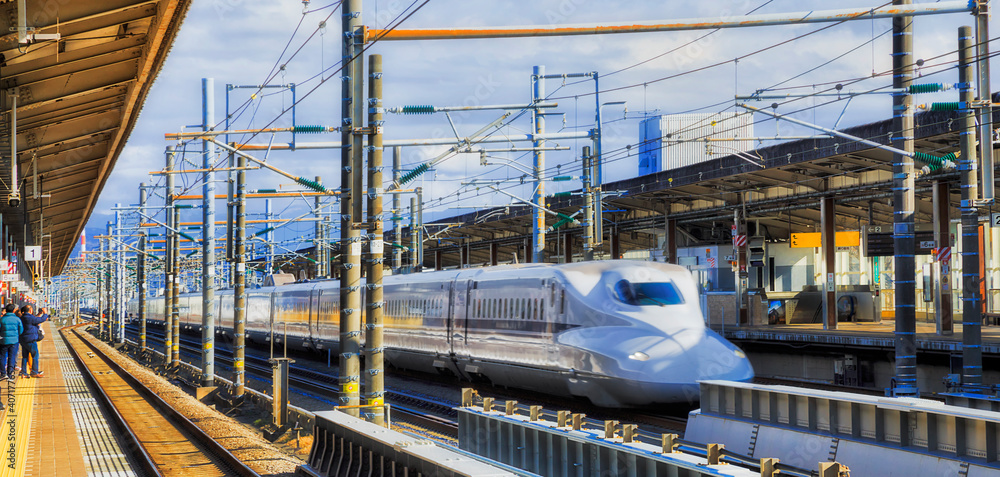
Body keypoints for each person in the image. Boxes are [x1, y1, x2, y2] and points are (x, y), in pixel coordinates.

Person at [19, 305, 48, 378]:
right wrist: (45, 313)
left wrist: (39, 314)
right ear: (30, 310)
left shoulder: (22, 317)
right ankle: (34, 372)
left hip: (23, 339)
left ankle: (24, 373)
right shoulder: (30, 318)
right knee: (35, 355)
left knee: (25, 357)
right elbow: (41, 319)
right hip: (31, 340)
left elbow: (35, 319)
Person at [0, 304, 22, 380]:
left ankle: (3, 373)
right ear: (13, 310)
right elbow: (21, 330)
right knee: (12, 357)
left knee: (2, 357)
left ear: (6, 310)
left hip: (3, 341)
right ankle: (10, 374)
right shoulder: (17, 319)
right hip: (14, 341)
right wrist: (16, 335)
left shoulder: (2, 319)